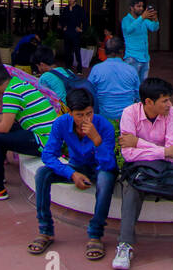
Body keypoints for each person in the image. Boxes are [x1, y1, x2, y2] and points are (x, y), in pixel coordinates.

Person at [112, 77, 173, 270]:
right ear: (148, 102)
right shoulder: (129, 113)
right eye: (164, 100)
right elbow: (128, 154)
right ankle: (124, 245)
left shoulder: (171, 114)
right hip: (140, 166)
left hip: (165, 164)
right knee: (132, 189)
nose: (170, 104)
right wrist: (162, 151)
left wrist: (140, 143)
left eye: (169, 100)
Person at [28, 88, 118, 259]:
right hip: (76, 167)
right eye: (79, 115)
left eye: (89, 113)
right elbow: (48, 155)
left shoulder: (103, 126)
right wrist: (71, 174)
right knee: (42, 174)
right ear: (69, 112)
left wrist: (97, 140)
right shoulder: (61, 123)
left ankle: (95, 234)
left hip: (100, 169)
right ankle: (45, 231)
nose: (85, 119)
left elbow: (109, 164)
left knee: (106, 179)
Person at [0, 61, 57, 201]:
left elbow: (4, 127)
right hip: (47, 137)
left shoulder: (11, 93)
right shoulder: (18, 83)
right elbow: (8, 118)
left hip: (44, 142)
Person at [88, 36, 141, 119]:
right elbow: (138, 96)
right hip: (128, 118)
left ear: (105, 52)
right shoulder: (131, 70)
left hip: (103, 117)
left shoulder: (96, 69)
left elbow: (89, 93)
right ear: (122, 52)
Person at [121, 0, 159, 83]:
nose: (141, 8)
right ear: (131, 7)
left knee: (143, 86)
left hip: (145, 57)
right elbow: (129, 29)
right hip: (132, 58)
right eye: (138, 6)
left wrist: (155, 19)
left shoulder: (144, 20)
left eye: (142, 6)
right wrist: (142, 18)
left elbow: (154, 28)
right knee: (132, 84)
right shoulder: (126, 20)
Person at [59, 0, 86, 73]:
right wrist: (63, 27)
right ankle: (67, 67)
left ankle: (79, 69)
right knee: (67, 51)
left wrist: (82, 29)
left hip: (75, 33)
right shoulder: (66, 8)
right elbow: (62, 19)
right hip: (67, 33)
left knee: (77, 51)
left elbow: (85, 20)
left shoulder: (79, 9)